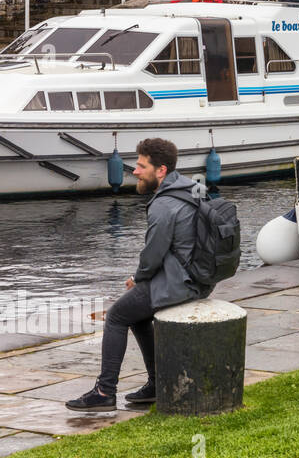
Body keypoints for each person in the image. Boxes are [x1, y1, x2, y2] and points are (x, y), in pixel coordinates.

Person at [65, 139, 204, 411]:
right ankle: (157, 384)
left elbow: (153, 254)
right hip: (200, 277)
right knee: (137, 315)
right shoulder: (194, 187)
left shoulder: (164, 205)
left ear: (161, 170)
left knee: (117, 315)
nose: (135, 172)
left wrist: (138, 278)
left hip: (180, 283)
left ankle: (105, 392)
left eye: (141, 166)